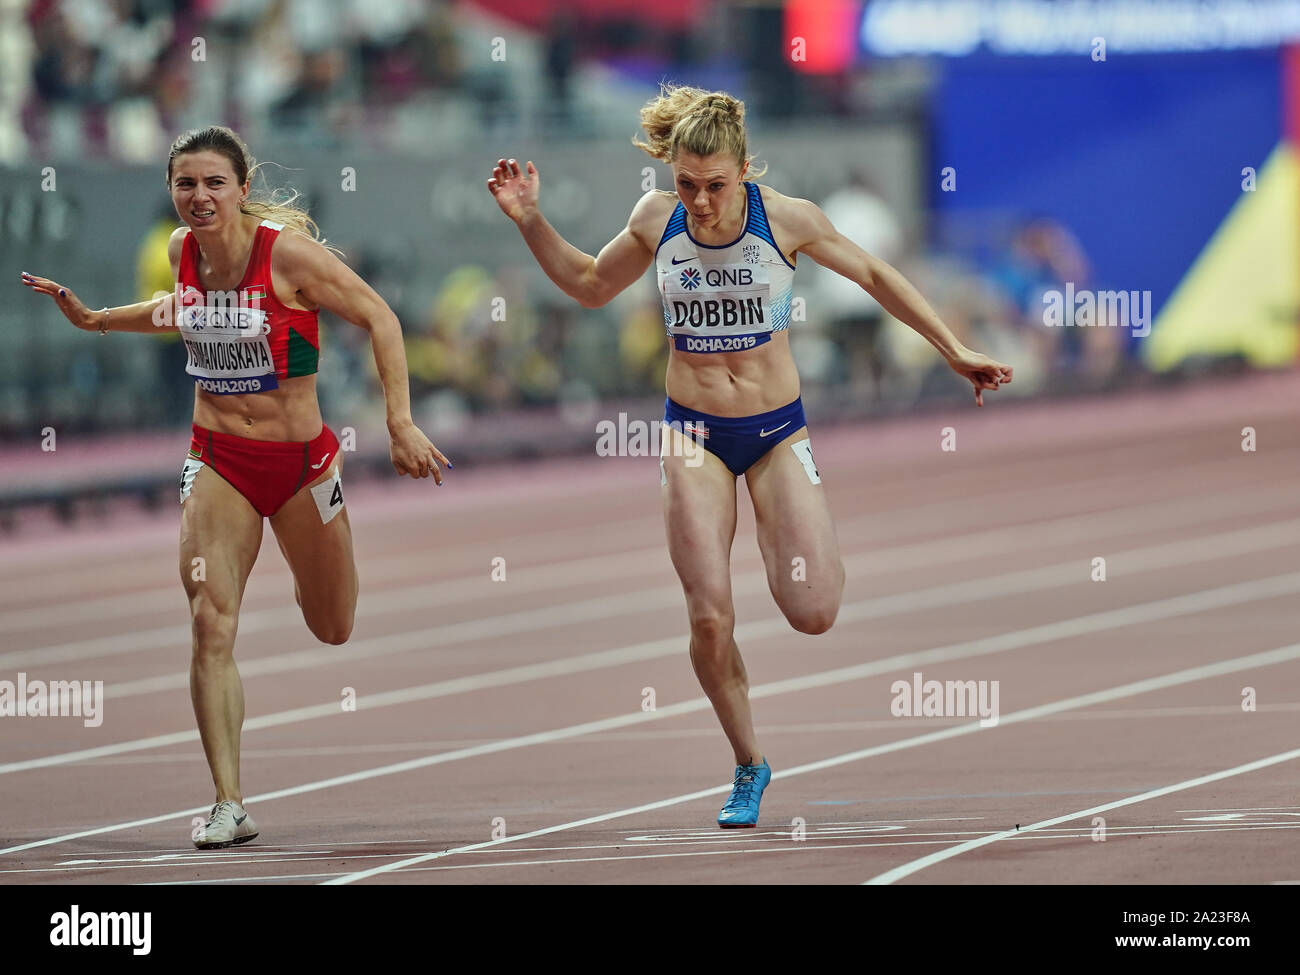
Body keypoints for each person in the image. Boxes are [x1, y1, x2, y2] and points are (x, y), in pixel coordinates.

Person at [487, 85, 1012, 828]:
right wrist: (531, 221)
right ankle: (747, 762)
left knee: (814, 609)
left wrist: (952, 348)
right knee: (708, 618)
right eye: (686, 186)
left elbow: (877, 278)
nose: (699, 204)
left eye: (715, 186)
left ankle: (785, 527)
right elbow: (587, 284)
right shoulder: (655, 220)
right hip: (692, 435)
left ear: (743, 170)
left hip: (776, 434)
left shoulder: (786, 221)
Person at [20, 124, 448, 849]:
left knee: (333, 623)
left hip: (302, 465)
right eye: (186, 183)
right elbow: (182, 313)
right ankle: (229, 801)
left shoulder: (289, 257)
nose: (199, 196)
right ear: (171, 192)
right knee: (209, 620)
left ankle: (304, 555)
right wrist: (98, 320)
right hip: (218, 457)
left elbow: (380, 315)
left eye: (214, 182)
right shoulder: (180, 251)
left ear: (243, 189)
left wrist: (399, 421)